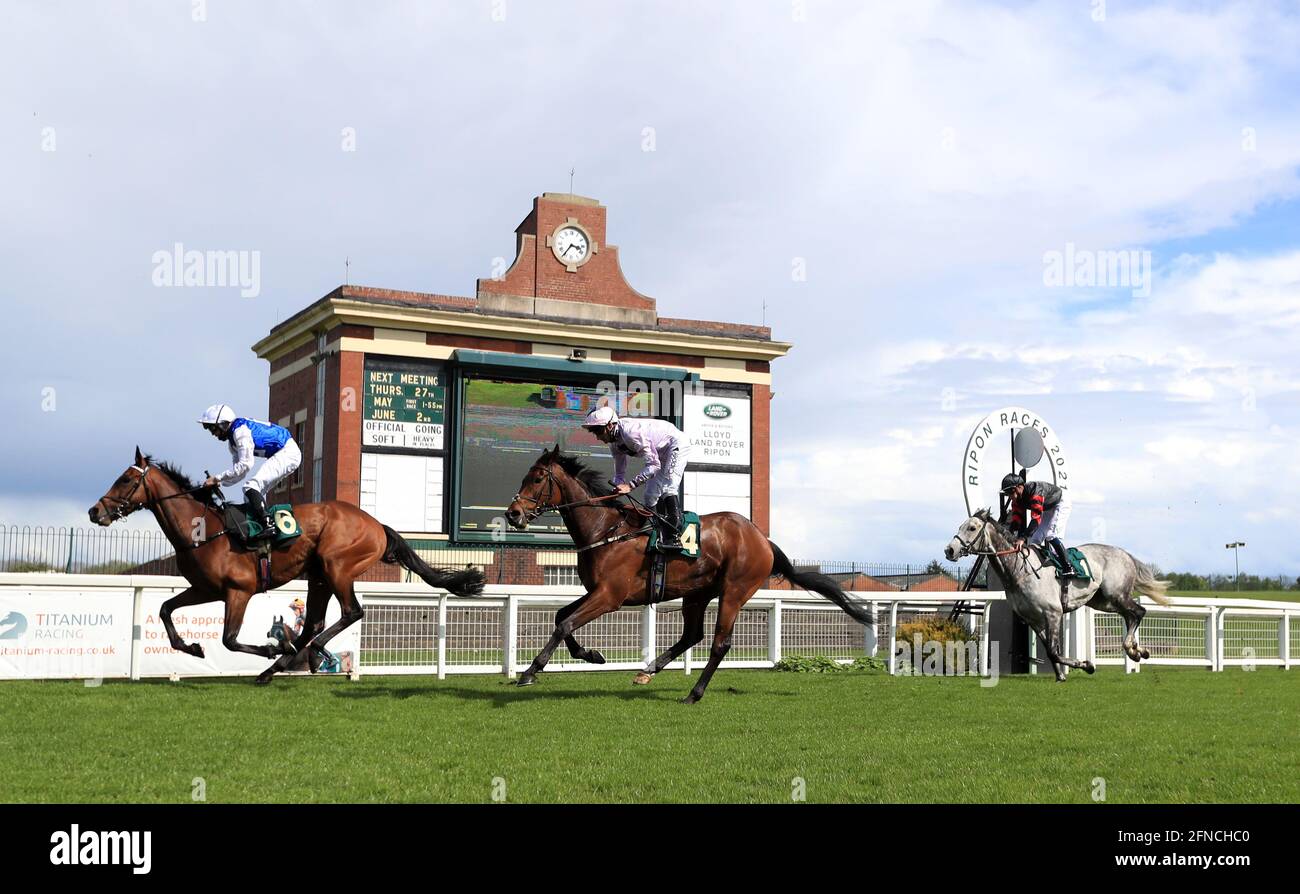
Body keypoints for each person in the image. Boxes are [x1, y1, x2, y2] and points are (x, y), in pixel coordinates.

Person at [582, 405, 689, 550]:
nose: (598, 437)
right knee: (649, 497)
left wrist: (630, 485)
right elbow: (620, 473)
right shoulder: (614, 443)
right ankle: (658, 531)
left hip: (675, 445)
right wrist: (617, 485)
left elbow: (654, 466)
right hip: (659, 454)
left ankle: (674, 535)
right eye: (594, 432)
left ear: (610, 426)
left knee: (668, 485)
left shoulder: (631, 433)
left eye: (598, 431)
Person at [198, 404, 301, 540]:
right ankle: (261, 529)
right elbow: (239, 472)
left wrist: (217, 478)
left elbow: (245, 465)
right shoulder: (232, 443)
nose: (213, 434)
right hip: (283, 453)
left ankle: (268, 525)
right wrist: (220, 482)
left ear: (223, 424)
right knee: (249, 497)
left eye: (213, 428)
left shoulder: (240, 432)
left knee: (251, 486)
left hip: (287, 452)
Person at [1001, 473, 1074, 579]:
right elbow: (1016, 521)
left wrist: (1022, 538)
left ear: (1019, 487)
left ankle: (1068, 567)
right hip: (1047, 507)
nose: (1010, 496)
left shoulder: (1035, 492)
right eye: (1007, 493)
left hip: (1060, 503)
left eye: (1011, 492)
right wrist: (1009, 535)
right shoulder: (1016, 501)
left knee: (1051, 535)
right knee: (1035, 540)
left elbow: (1035, 520)